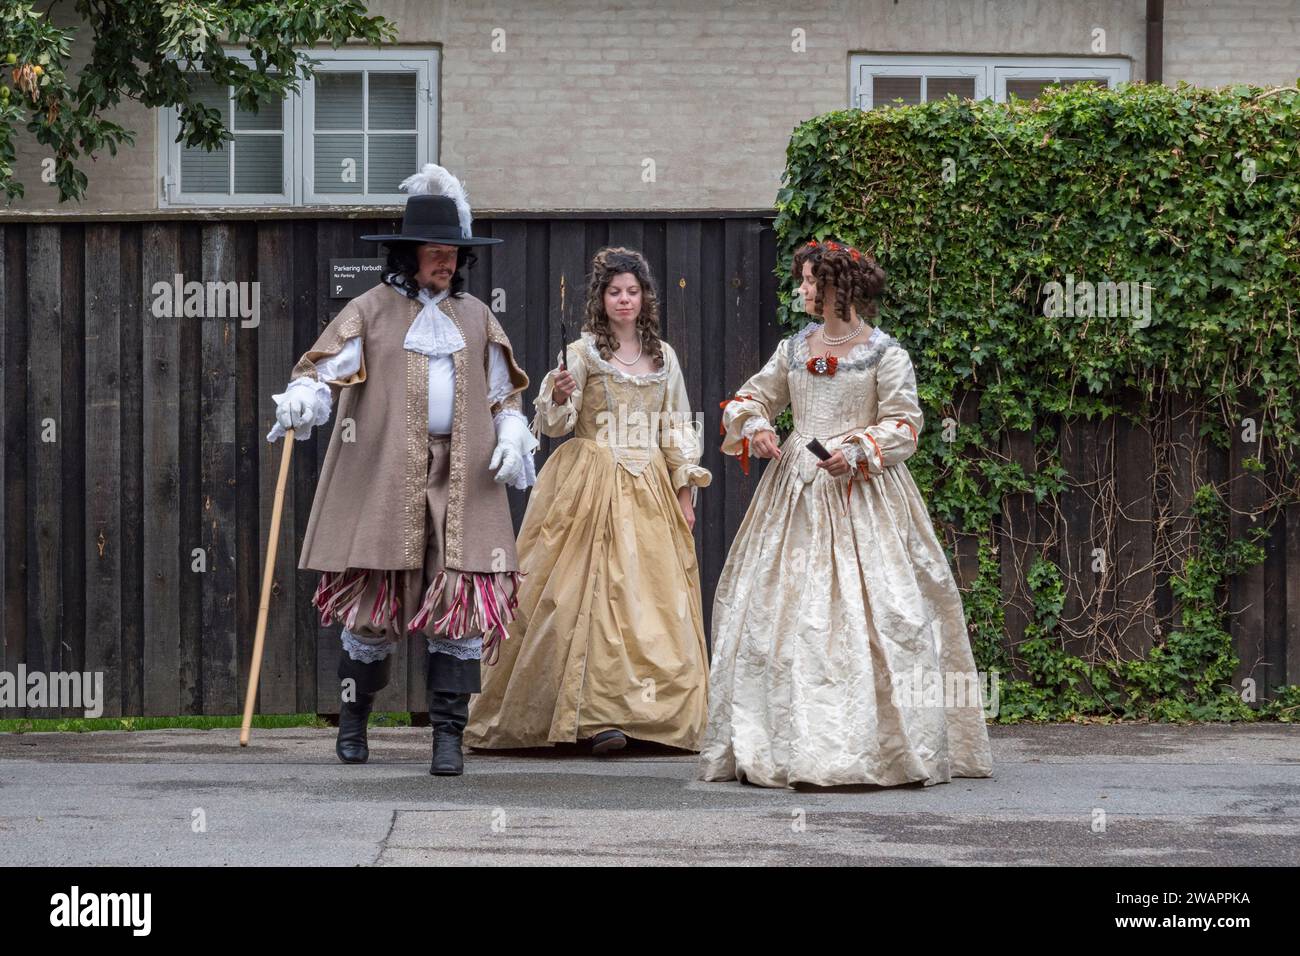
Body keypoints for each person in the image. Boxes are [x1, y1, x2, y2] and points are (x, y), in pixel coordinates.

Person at [266, 164, 538, 776]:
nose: (447, 261)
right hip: (385, 473)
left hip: (463, 477)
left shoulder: (475, 317)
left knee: (460, 607)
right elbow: (322, 371)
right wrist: (305, 399)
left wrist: (515, 429)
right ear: (409, 254)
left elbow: (504, 396)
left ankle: (447, 737)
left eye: (454, 252)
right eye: (436, 251)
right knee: (372, 610)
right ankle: (354, 724)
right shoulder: (371, 310)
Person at [699, 239, 994, 788]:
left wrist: (858, 450)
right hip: (796, 493)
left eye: (811, 281)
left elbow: (905, 423)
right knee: (780, 613)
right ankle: (791, 746)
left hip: (865, 497)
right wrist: (759, 427)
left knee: (887, 614)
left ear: (840, 286)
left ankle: (875, 748)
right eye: (804, 281)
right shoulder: (792, 349)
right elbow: (749, 398)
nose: (803, 290)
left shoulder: (886, 353)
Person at [465, 247, 712, 754]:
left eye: (633, 291)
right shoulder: (581, 355)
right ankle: (592, 715)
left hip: (650, 493)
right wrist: (557, 396)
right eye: (615, 291)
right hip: (588, 486)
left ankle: (651, 719)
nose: (625, 299)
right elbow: (554, 427)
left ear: (645, 298)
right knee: (583, 596)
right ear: (601, 299)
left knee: (650, 602)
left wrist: (685, 490)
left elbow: (677, 428)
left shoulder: (664, 357)